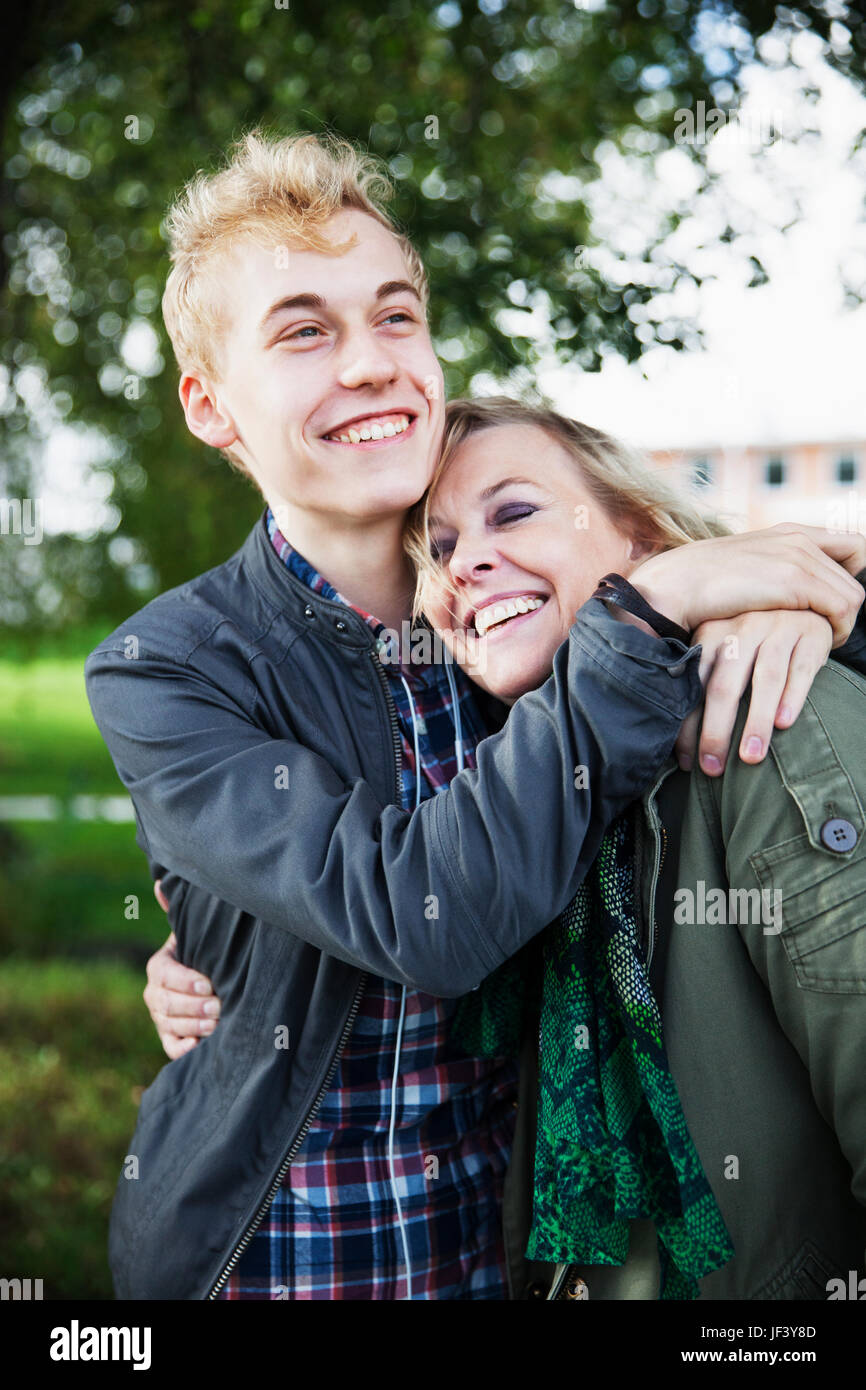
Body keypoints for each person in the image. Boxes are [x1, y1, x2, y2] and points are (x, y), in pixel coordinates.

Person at [87, 129, 866, 1301]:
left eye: (396, 316)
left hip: (503, 1256)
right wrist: (214, 952)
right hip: (277, 1261)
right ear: (210, 407)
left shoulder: (516, 639)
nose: (369, 362)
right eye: (304, 330)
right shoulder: (168, 668)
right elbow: (418, 911)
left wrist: (815, 616)